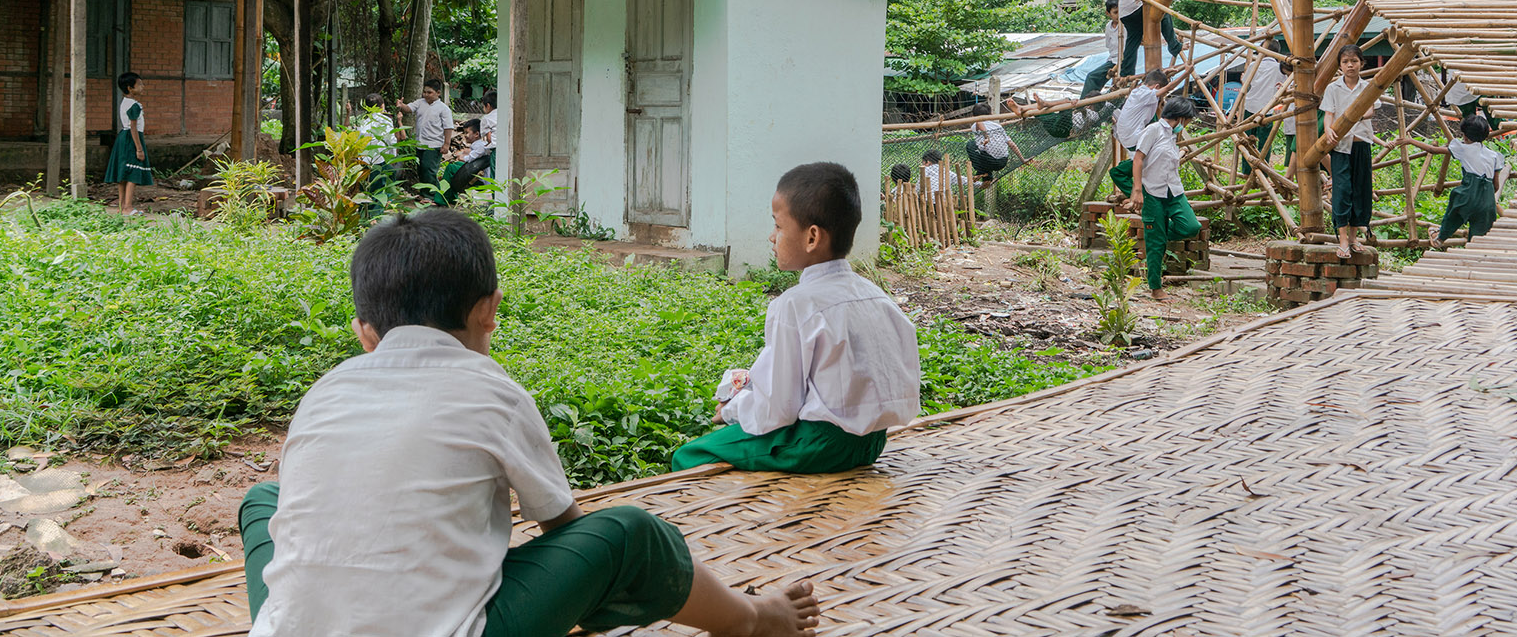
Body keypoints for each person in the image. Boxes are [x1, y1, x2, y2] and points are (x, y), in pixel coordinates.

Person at [237, 209, 820, 637]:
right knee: (631, 535)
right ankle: (751, 620)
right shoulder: (493, 390)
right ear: (489, 308)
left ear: (366, 332)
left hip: (289, 628)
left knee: (265, 500)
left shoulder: (324, 390)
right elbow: (562, 527)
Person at [671, 163, 920, 473]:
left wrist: (732, 410)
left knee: (690, 455)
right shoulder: (877, 297)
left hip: (817, 445)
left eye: (778, 225)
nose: (771, 237)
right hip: (872, 444)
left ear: (812, 237)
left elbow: (778, 411)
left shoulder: (795, 305)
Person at [1115, 95, 1201, 303]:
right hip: (1153, 194)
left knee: (1191, 227)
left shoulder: (1171, 135)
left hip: (1174, 192)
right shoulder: (1153, 130)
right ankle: (1156, 288)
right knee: (1155, 245)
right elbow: (1138, 159)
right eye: (1188, 119)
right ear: (1180, 118)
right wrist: (1136, 191)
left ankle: (1159, 236)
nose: (1188, 124)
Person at [1319, 43, 1376, 259]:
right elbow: (1328, 114)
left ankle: (1353, 237)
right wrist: (1328, 131)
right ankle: (1342, 239)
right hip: (1341, 145)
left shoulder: (1368, 86)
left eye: (1354, 61)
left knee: (1361, 189)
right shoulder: (1333, 88)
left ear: (1361, 63)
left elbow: (1370, 110)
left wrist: (1356, 116)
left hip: (1361, 140)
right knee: (1342, 189)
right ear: (1340, 66)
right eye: (1345, 62)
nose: (1350, 65)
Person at [1432, 113, 1507, 245]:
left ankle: (1440, 238)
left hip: (1468, 195)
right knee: (1481, 232)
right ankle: (1475, 248)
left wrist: (1408, 141)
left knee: (1454, 213)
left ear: (1465, 136)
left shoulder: (1463, 149)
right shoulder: (1495, 156)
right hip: (1487, 201)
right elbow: (1496, 186)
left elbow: (1432, 149)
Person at [104, 71, 152, 215]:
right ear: (130, 88)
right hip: (132, 139)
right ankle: (129, 206)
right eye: (140, 84)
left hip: (123, 138)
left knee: (123, 173)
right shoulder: (135, 105)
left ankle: (122, 206)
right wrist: (139, 148)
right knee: (132, 173)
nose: (143, 87)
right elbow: (133, 127)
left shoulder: (124, 102)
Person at [397, 79, 453, 202]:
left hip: (434, 144)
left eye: (429, 92)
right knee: (421, 170)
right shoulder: (420, 103)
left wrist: (446, 144)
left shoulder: (443, 108)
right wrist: (401, 105)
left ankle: (433, 196)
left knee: (429, 170)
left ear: (438, 93)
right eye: (425, 92)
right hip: (420, 143)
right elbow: (408, 109)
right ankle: (424, 193)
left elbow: (448, 127)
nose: (426, 95)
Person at [1238, 57, 1289, 174]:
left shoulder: (1253, 65)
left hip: (1250, 106)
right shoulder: (1279, 68)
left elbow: (1246, 83)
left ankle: (1247, 171)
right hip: (1268, 108)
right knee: (1265, 142)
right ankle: (1263, 171)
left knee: (1247, 140)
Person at [1112, 69, 1168, 163]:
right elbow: (1167, 88)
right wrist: (1186, 73)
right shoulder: (1146, 95)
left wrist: (1163, 74)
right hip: (1133, 140)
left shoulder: (1138, 91)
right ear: (1157, 86)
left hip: (1127, 138)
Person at [356, 93, 400, 214]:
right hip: (379, 159)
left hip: (364, 159)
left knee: (365, 188)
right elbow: (390, 139)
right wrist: (392, 156)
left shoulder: (363, 120)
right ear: (382, 106)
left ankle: (362, 214)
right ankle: (375, 216)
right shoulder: (385, 120)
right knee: (378, 189)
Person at [964, 102, 1025, 182]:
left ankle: (982, 173)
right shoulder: (998, 126)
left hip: (990, 161)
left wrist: (986, 136)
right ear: (990, 114)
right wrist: (1023, 159)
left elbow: (979, 122)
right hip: (1003, 161)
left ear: (973, 117)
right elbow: (1011, 144)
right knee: (982, 149)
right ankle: (987, 179)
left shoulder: (975, 125)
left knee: (971, 144)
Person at [1079, 0, 1124, 99]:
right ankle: (1086, 103)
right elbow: (1109, 45)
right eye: (1115, 12)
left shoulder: (1125, 25)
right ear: (1108, 13)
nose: (1118, 15)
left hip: (1123, 59)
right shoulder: (1109, 27)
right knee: (1092, 77)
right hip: (1113, 60)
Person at [443, 119, 494, 205]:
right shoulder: (479, 144)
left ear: (477, 134)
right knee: (456, 164)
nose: (465, 135)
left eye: (467, 132)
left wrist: (463, 157)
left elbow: (473, 157)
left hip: (480, 179)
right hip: (477, 173)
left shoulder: (480, 145)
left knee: (450, 168)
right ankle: (451, 196)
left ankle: (442, 198)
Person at [478, 90, 499, 179]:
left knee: (495, 174)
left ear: (488, 106)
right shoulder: (505, 114)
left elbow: (489, 138)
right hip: (507, 148)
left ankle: (495, 193)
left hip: (495, 149)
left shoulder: (486, 119)